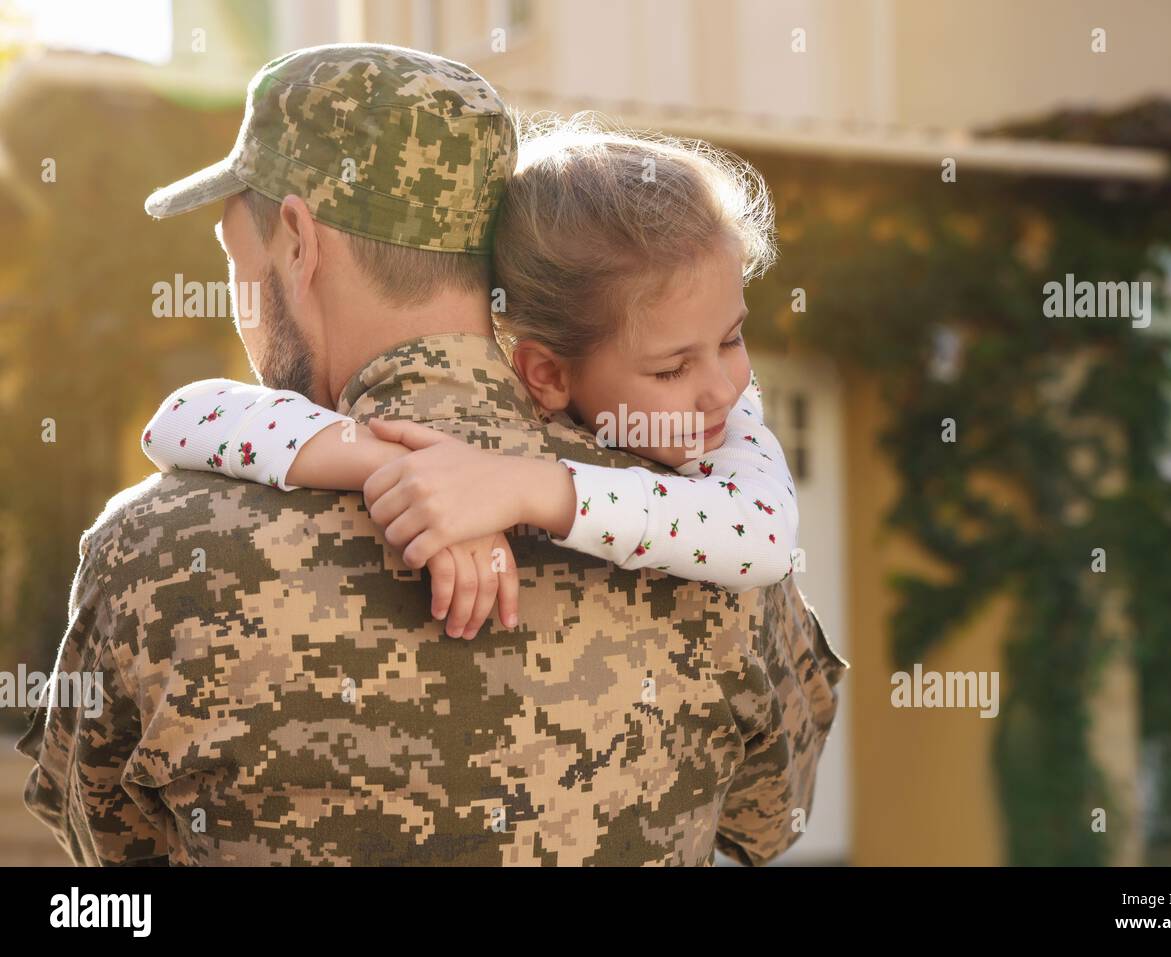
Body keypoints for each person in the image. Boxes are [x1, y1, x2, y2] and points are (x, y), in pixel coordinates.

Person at [18, 43, 848, 866]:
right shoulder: (705, 535)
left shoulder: (153, 550)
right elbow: (768, 823)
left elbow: (111, 865)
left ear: (299, 242)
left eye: (239, 262)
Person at [139, 118, 800, 640]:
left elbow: (761, 539)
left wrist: (524, 489)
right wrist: (397, 467)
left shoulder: (729, 425)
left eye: (734, 337)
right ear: (545, 374)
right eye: (672, 368)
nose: (727, 386)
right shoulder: (467, 433)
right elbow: (181, 418)